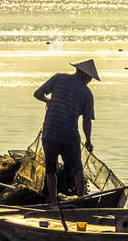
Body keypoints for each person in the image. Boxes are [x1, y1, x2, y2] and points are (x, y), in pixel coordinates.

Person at [33, 59, 99, 204]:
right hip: (69, 135)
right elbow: (86, 121)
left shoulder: (59, 78)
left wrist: (48, 101)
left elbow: (38, 93)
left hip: (50, 132)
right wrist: (88, 140)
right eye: (90, 78)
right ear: (85, 75)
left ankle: (52, 200)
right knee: (77, 169)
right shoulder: (87, 93)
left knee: (50, 169)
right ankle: (81, 199)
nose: (90, 81)